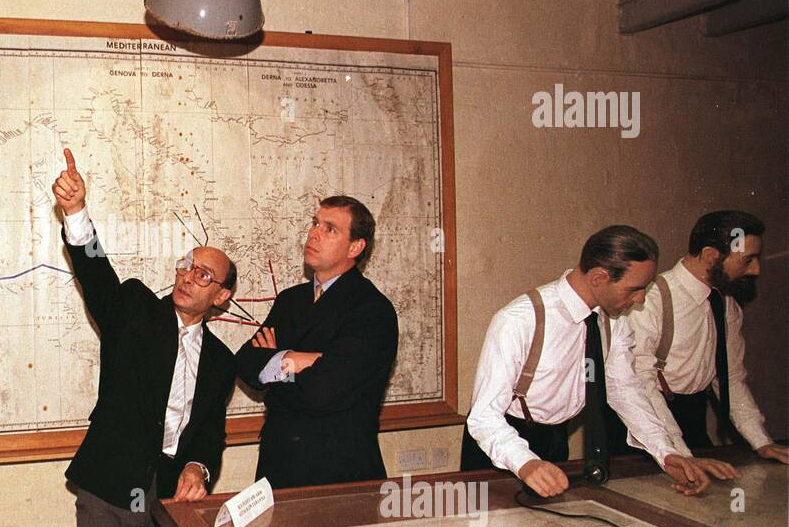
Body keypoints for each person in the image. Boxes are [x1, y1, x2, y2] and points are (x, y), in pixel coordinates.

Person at [52, 148, 238, 527]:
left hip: (168, 504)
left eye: (203, 274)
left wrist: (199, 468)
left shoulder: (220, 361)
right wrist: (77, 213)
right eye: (185, 265)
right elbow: (97, 278)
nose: (187, 276)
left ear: (221, 296)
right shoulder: (135, 310)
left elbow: (211, 434)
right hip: (109, 490)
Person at [461, 225, 717, 497]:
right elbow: (484, 416)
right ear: (598, 278)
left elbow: (624, 389)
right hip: (499, 447)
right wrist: (525, 463)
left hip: (556, 442)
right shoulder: (519, 319)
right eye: (634, 289)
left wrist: (664, 452)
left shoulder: (612, 320)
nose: (641, 298)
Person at [235, 196, 398, 488]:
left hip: (338, 476)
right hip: (277, 467)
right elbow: (246, 363)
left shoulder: (372, 310)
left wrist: (274, 362)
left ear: (355, 247)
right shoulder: (290, 299)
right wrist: (300, 359)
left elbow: (320, 392)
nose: (314, 233)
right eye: (315, 223)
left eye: (330, 228)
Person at [627, 210, 787, 469]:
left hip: (692, 420)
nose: (756, 270)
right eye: (747, 260)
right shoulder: (651, 300)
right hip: (645, 428)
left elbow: (730, 377)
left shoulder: (726, 304)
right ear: (711, 255)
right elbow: (641, 382)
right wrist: (679, 454)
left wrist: (760, 441)